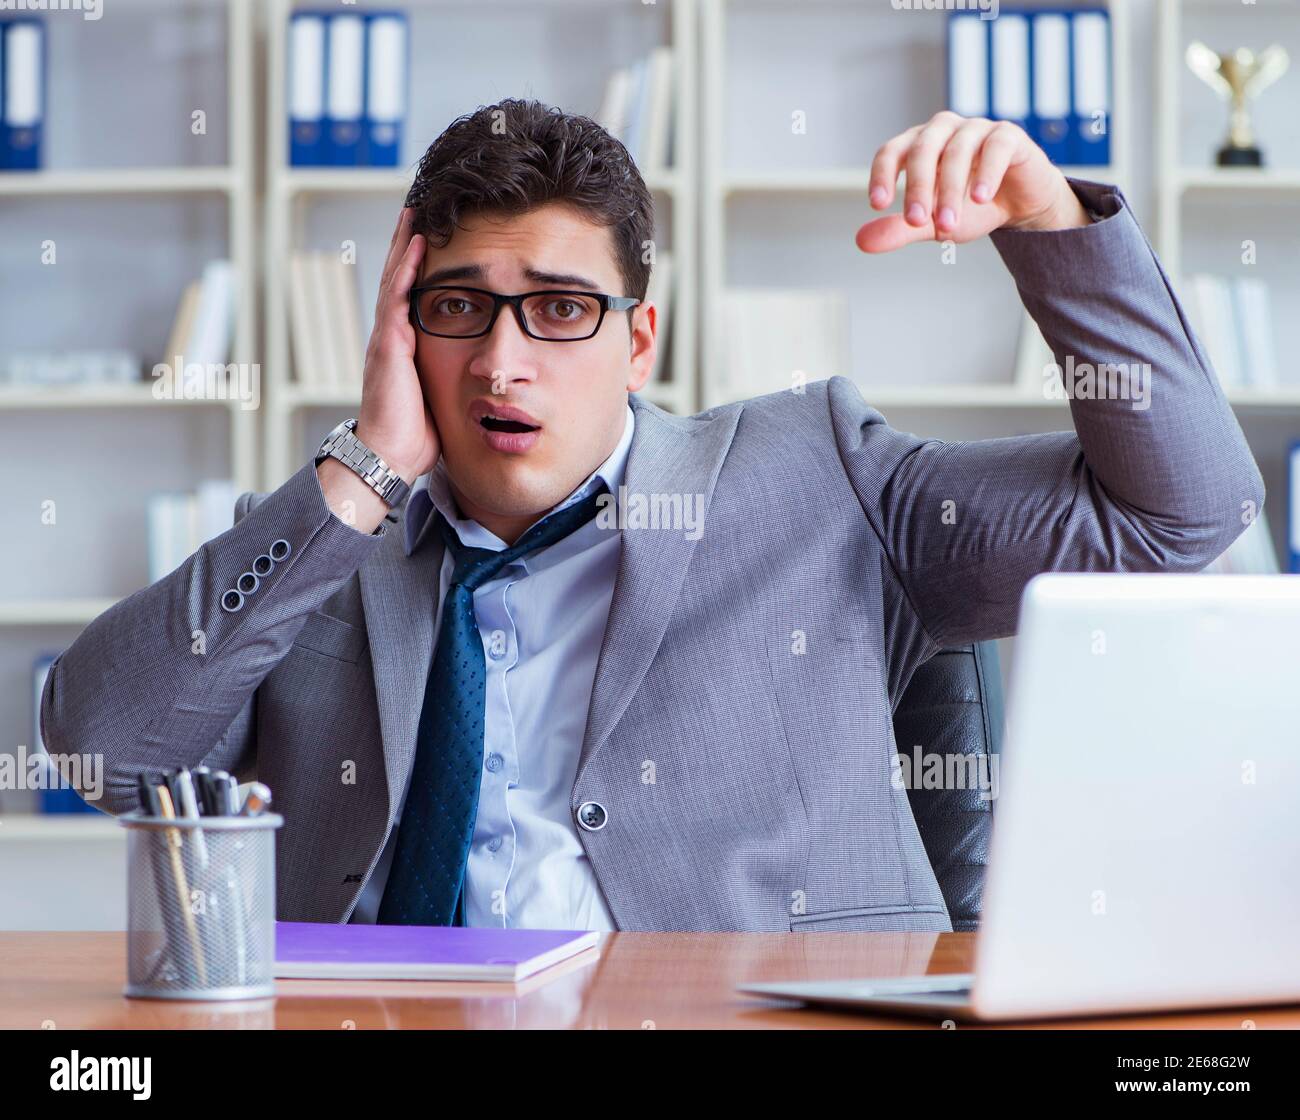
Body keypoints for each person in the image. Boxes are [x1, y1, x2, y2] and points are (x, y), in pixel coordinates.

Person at [42, 99, 1263, 932]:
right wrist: (363, 472)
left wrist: (1052, 228)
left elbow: (1182, 513)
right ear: (404, 333)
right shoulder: (326, 544)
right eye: (459, 308)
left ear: (639, 343)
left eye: (560, 309)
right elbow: (102, 749)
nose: (501, 364)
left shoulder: (819, 473)